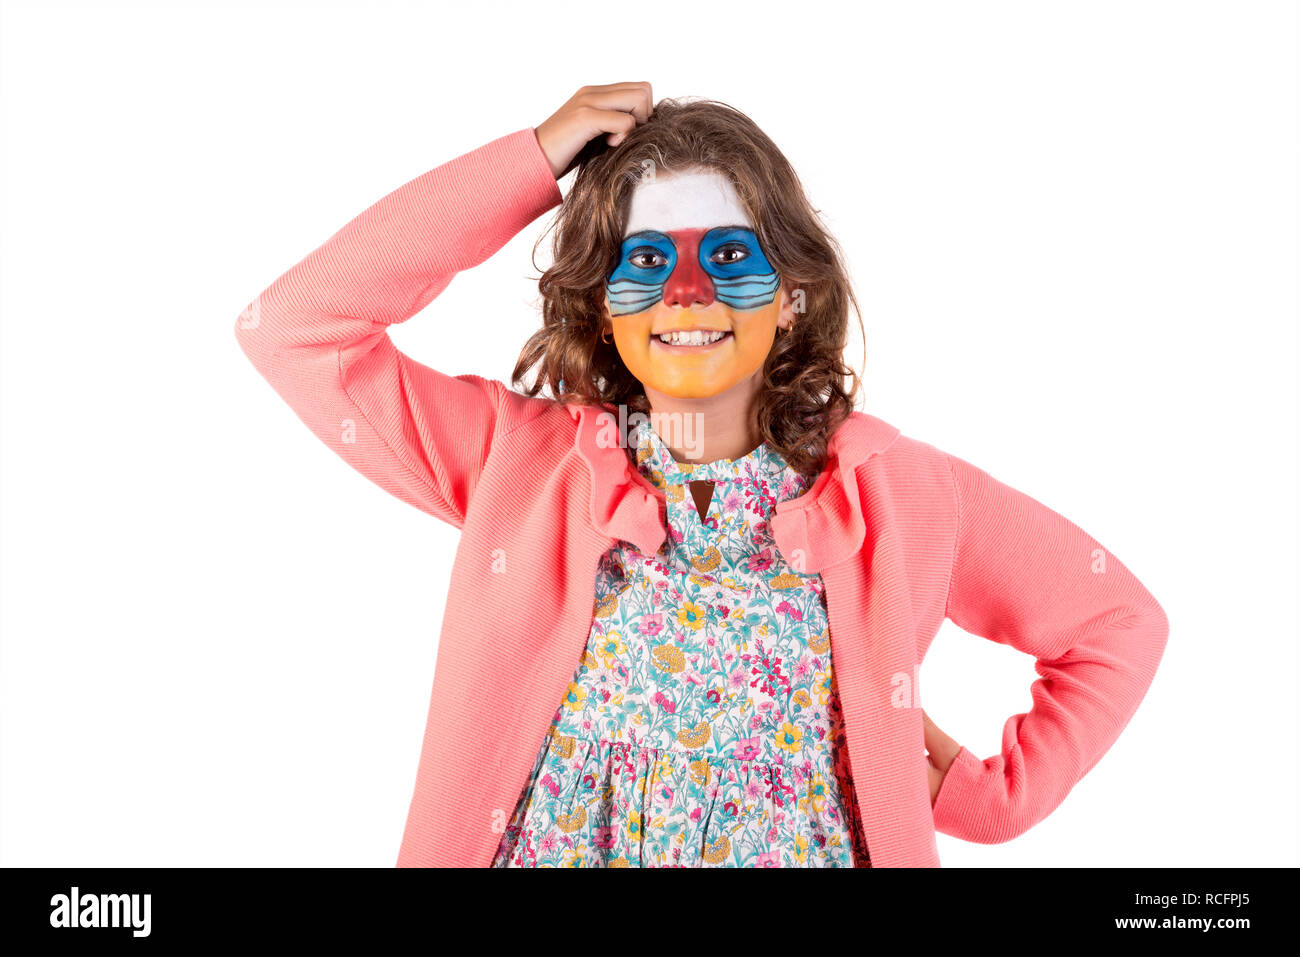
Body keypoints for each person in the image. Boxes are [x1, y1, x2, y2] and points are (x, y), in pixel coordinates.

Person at [234, 82, 1169, 867]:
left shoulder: (899, 492)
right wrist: (533, 160)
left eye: (729, 256)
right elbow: (292, 328)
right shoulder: (519, 465)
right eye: (646, 260)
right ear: (605, 308)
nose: (688, 292)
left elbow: (1118, 621)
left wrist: (994, 798)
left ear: (792, 298)